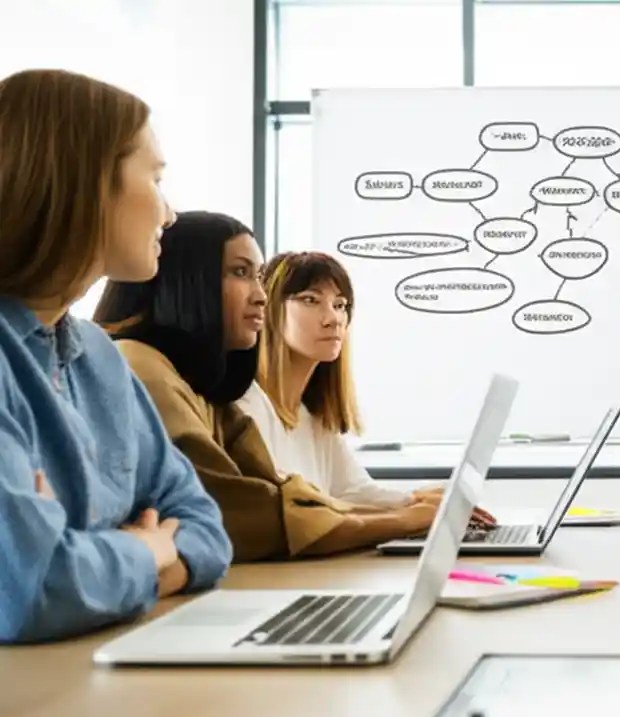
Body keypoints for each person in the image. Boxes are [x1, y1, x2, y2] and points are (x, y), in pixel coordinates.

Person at [0, 69, 231, 643]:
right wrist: (146, 546)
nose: (169, 214)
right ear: (81, 183)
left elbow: (208, 533)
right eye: (155, 178)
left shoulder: (100, 358)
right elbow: (33, 591)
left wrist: (96, 560)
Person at [94, 211, 445, 561]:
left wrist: (409, 512)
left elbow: (277, 494)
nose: (261, 296)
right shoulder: (142, 366)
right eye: (240, 272)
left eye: (258, 276)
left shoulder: (206, 388)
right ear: (189, 281)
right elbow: (244, 515)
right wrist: (402, 520)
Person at [236, 250, 494, 521]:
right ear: (269, 308)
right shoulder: (248, 407)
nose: (333, 319)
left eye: (340, 305)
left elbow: (353, 492)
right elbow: (297, 511)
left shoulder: (312, 417)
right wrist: (413, 510)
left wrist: (418, 498)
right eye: (311, 300)